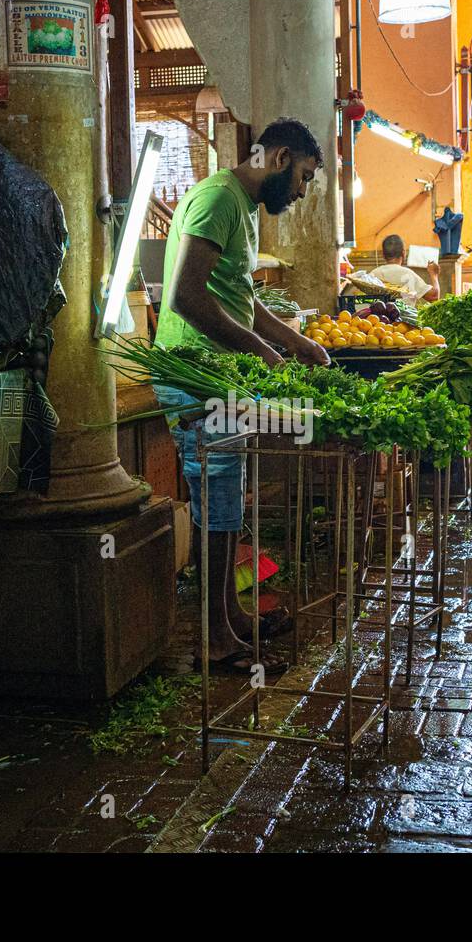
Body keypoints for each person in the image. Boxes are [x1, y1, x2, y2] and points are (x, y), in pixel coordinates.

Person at [153, 117, 331, 675]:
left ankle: (229, 614)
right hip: (193, 371)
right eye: (302, 176)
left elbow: (236, 297)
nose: (301, 192)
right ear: (278, 157)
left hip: (217, 372)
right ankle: (213, 639)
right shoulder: (218, 199)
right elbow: (184, 296)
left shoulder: (243, 208)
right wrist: (262, 352)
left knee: (227, 502)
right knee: (217, 502)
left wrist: (293, 341)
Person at [370, 234, 441, 302]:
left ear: (383, 254)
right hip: (403, 315)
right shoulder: (408, 275)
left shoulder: (372, 275)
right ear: (403, 253)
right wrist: (434, 274)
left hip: (375, 315)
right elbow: (434, 297)